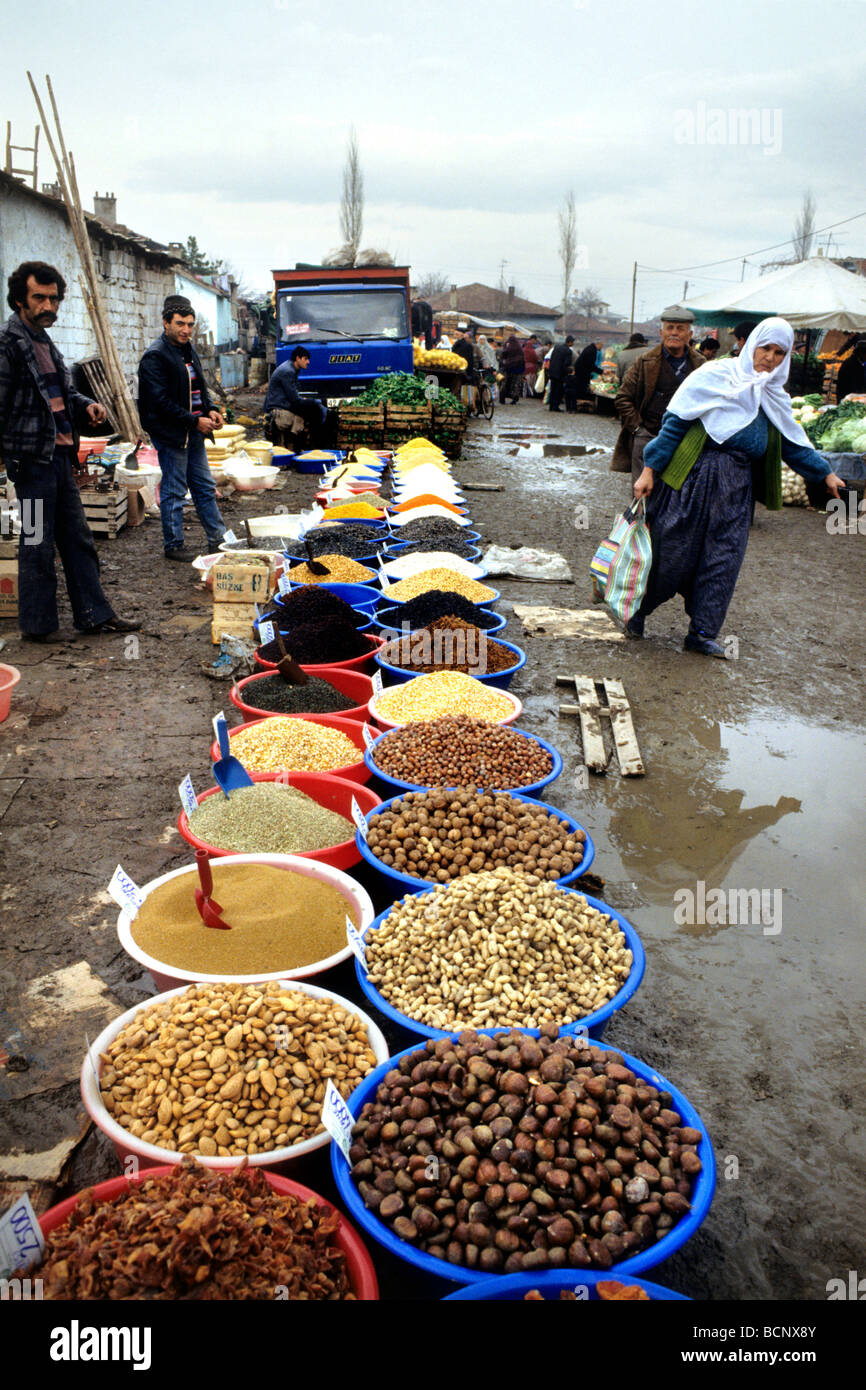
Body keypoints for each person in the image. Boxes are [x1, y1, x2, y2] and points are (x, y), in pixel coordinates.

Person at [628, 318, 844, 657]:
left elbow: (792, 442)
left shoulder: (773, 393)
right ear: (751, 345)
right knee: (673, 552)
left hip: (736, 489)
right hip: (693, 479)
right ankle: (638, 612)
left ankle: (701, 632)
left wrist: (825, 474)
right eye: (765, 348)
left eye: (779, 352)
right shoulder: (715, 376)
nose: (770, 357)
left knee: (723, 559)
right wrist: (649, 470)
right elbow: (674, 424)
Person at [0, 261, 141, 642]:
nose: (49, 305)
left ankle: (94, 615)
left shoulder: (45, 342)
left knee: (77, 538)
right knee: (34, 542)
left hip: (60, 460)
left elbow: (60, 393)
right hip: (30, 465)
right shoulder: (8, 344)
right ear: (19, 300)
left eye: (53, 298)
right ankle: (38, 625)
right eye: (39, 298)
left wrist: (85, 405)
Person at [138, 296, 228, 562]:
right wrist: (193, 420)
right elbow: (159, 403)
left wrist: (211, 409)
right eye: (180, 324)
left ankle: (218, 539)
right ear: (166, 323)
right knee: (175, 490)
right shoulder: (155, 356)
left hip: (195, 432)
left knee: (203, 486)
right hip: (172, 434)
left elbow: (200, 387)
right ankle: (173, 544)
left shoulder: (188, 350)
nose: (186, 330)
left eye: (190, 324)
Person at [612, 307, 705, 486]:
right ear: (661, 332)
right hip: (648, 437)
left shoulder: (701, 365)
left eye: (680, 329)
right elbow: (623, 398)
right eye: (670, 328)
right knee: (643, 495)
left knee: (679, 496)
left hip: (685, 441)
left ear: (690, 334)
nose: (674, 333)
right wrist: (639, 429)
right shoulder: (644, 362)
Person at [263, 345, 327, 440]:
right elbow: (295, 400)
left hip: (283, 403)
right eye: (305, 359)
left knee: (316, 406)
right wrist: (315, 402)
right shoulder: (288, 371)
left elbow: (295, 393)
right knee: (316, 408)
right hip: (278, 406)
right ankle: (312, 443)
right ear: (298, 358)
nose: (308, 362)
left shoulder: (292, 368)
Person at [566, 341, 599, 411]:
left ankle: (569, 408)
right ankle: (577, 407)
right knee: (579, 391)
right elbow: (591, 365)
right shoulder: (592, 351)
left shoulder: (589, 349)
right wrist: (600, 371)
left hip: (580, 375)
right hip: (582, 375)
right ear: (598, 344)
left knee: (572, 394)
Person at [548, 335, 575, 412]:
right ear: (570, 342)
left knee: (553, 390)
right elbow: (566, 364)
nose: (573, 344)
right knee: (558, 391)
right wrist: (570, 371)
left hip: (553, 372)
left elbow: (552, 359)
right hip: (560, 374)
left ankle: (551, 406)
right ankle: (555, 406)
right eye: (573, 342)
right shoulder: (568, 351)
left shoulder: (557, 347)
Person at [499, 333, 526, 404]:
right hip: (518, 369)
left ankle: (502, 398)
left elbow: (503, 355)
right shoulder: (519, 348)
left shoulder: (508, 346)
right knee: (515, 384)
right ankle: (514, 399)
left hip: (507, 368)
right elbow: (522, 359)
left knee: (504, 383)